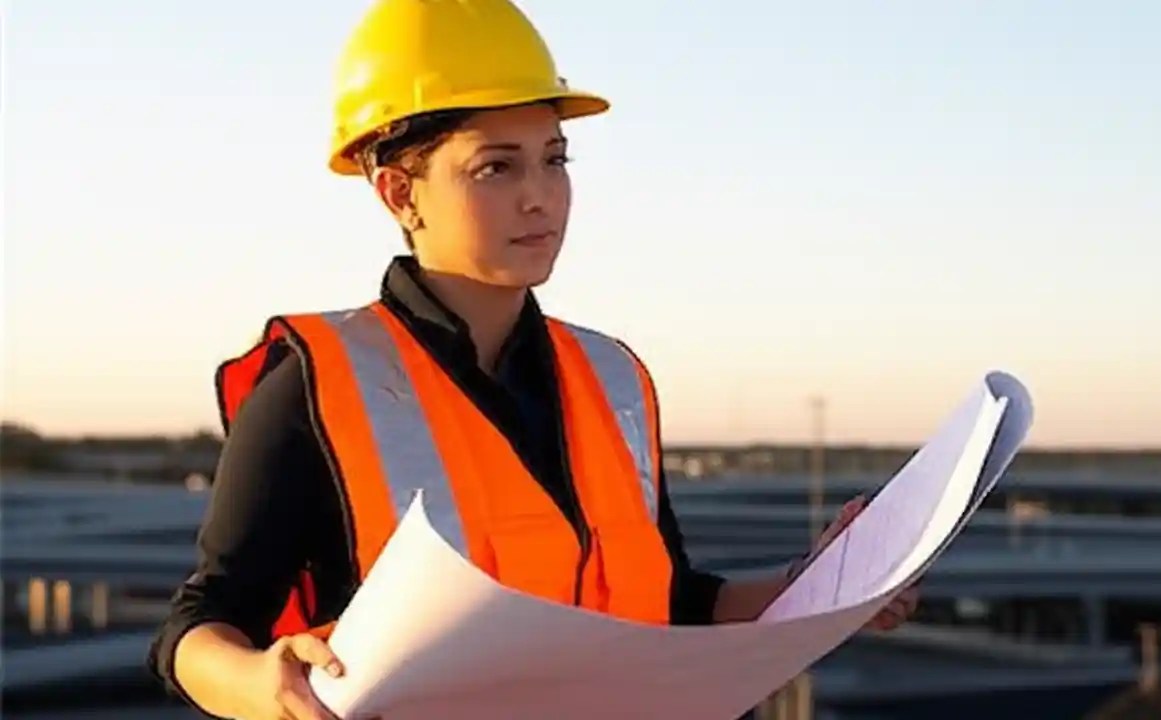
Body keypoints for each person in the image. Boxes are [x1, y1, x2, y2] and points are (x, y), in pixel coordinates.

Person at [146, 1, 919, 718]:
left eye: (555, 160)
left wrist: (819, 588)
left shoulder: (612, 377)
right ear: (397, 193)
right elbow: (199, 623)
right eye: (497, 167)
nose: (541, 196)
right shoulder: (317, 383)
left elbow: (672, 603)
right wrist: (258, 682)